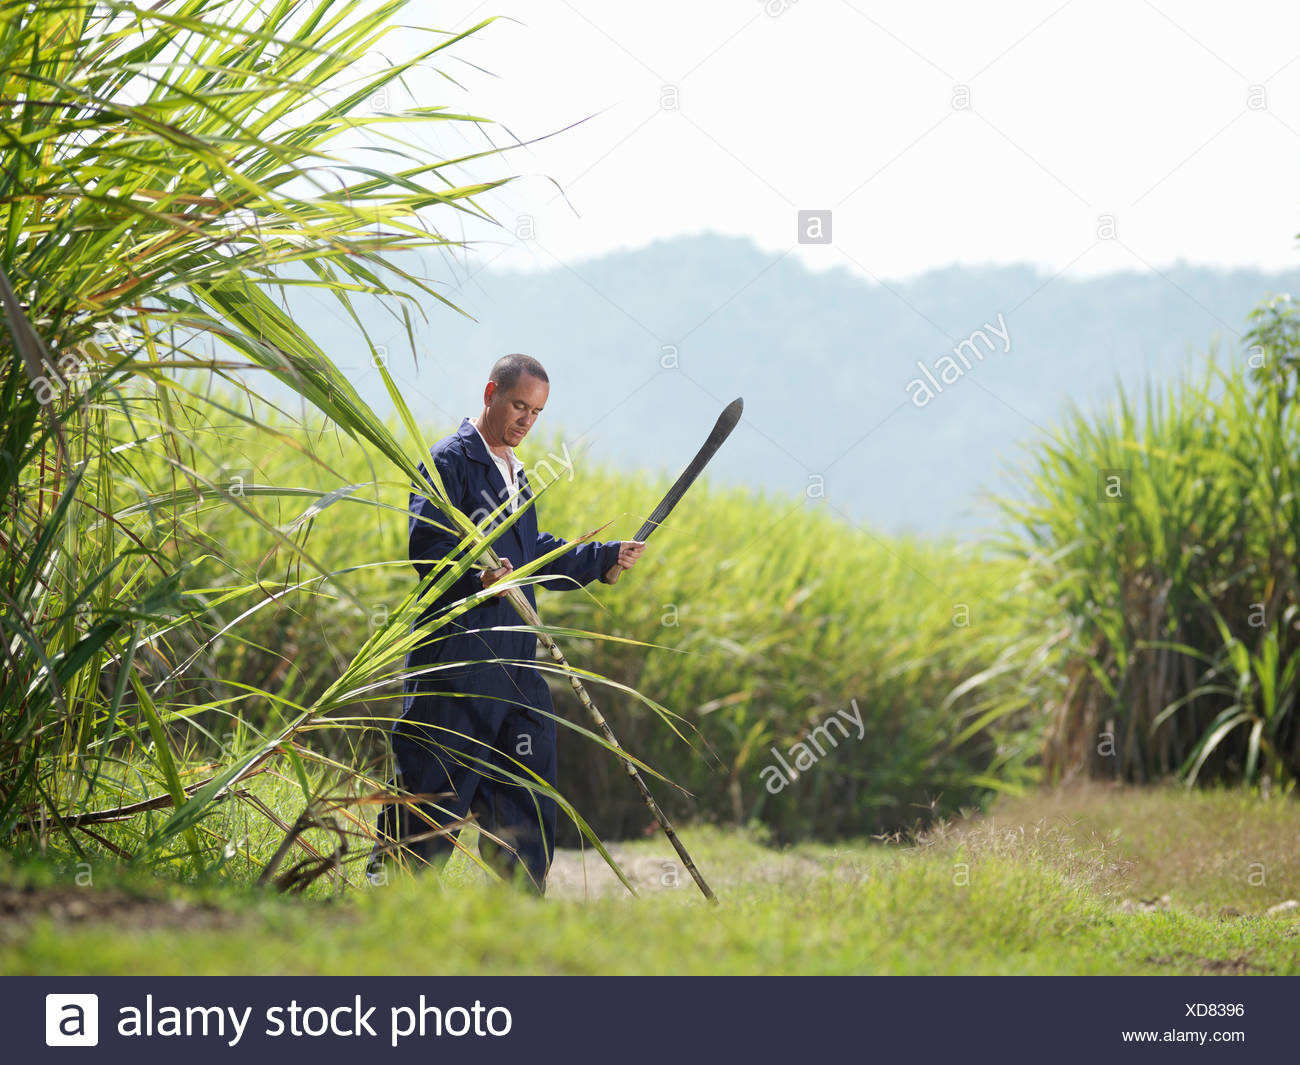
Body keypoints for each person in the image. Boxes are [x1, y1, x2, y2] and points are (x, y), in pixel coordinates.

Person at [367, 353, 645, 894]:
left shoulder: (515, 472)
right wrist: (478, 575)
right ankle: (390, 895)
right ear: (491, 391)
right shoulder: (452, 460)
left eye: (536, 412)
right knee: (435, 786)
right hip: (458, 661)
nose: (526, 421)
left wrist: (602, 560)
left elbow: (531, 552)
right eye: (519, 405)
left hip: (518, 663)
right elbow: (426, 545)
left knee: (526, 788)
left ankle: (519, 907)